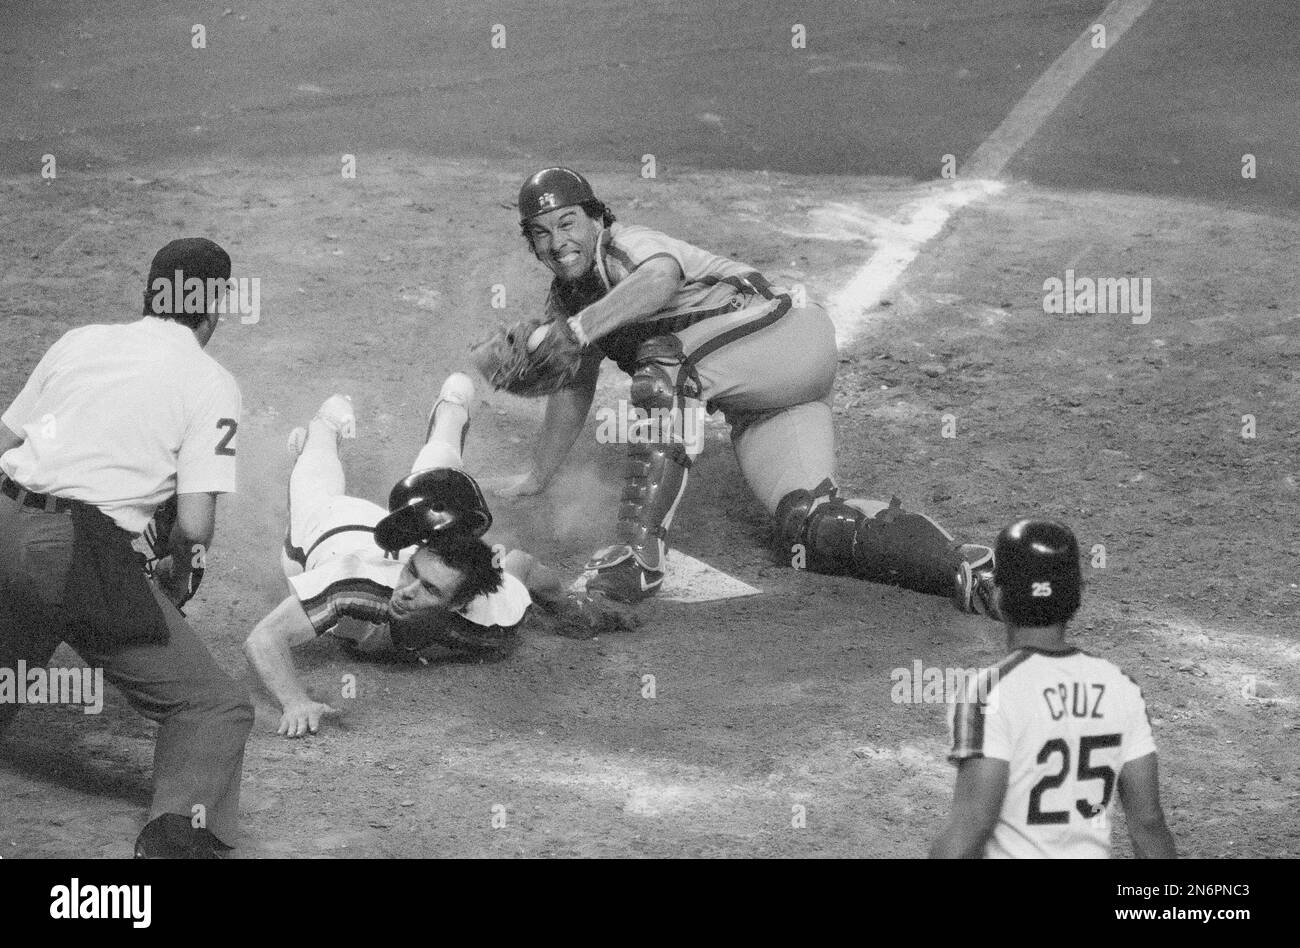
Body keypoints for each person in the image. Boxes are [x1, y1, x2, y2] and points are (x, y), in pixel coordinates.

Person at [492, 166, 998, 616]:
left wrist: (581, 328)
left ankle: (637, 557)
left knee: (665, 367)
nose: (557, 242)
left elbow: (661, 278)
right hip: (770, 397)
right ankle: (968, 568)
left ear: (596, 219)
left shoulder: (625, 246)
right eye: (540, 233)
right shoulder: (569, 298)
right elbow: (575, 386)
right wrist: (539, 475)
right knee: (810, 528)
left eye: (567, 223)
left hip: (787, 338)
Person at [0, 237, 253, 859]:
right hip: (67, 553)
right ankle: (173, 845)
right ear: (212, 307)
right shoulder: (211, 381)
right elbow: (195, 525)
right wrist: (158, 554)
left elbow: (6, 438)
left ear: (150, 291)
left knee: (18, 652)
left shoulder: (80, 340)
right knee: (213, 707)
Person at [243, 374, 534, 739]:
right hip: (328, 532)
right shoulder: (354, 582)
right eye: (411, 572)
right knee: (317, 494)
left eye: (429, 589)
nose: (407, 590)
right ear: (415, 553)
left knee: (436, 489)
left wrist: (565, 597)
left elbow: (520, 563)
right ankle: (326, 426)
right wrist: (295, 701)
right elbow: (264, 637)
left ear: (461, 603)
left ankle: (451, 409)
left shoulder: (491, 619)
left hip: (383, 548)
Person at [929, 519, 1177, 859]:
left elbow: (971, 827)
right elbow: (1148, 825)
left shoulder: (991, 692)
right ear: (1074, 597)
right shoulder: (1121, 688)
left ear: (999, 597)